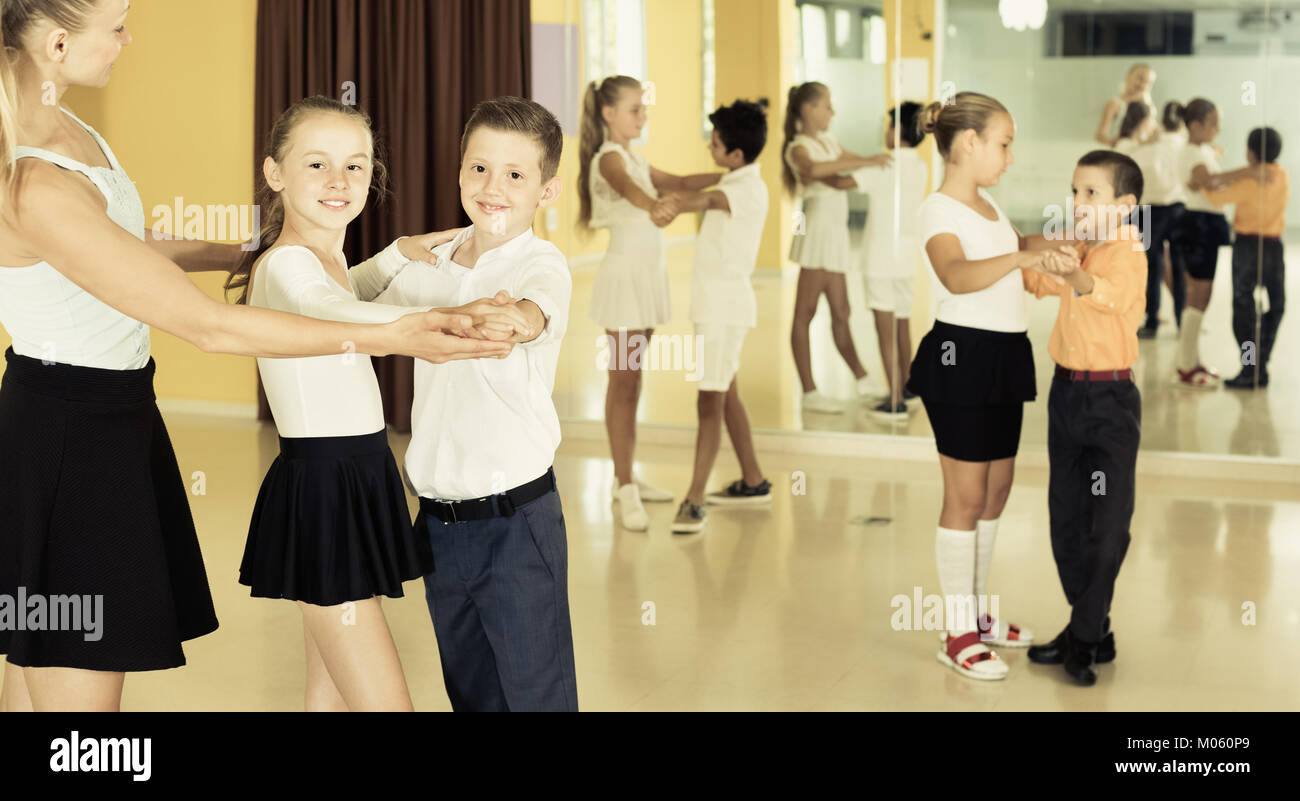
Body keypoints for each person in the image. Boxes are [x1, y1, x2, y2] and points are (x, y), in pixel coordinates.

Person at [0, 0, 504, 714]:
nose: (127, 39)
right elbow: (210, 328)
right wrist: (405, 332)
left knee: (33, 663)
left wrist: (244, 251)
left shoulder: (72, 132)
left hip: (107, 417)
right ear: (56, 42)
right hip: (68, 438)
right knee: (71, 699)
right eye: (116, 26)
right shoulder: (35, 181)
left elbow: (120, 249)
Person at [230, 96, 533, 712]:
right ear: (274, 174)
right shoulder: (287, 265)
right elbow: (333, 309)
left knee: (330, 692)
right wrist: (435, 318)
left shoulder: (325, 257)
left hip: (353, 476)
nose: (339, 182)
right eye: (316, 165)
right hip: (327, 486)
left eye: (357, 166)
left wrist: (396, 254)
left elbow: (347, 287)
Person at [364, 97, 578, 711]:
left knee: (536, 697)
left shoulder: (542, 262)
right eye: (480, 168)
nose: (494, 188)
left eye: (516, 175)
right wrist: (396, 254)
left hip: (516, 525)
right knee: (472, 696)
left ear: (546, 190)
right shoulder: (428, 261)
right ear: (460, 172)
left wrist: (514, 319)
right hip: (438, 526)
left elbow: (538, 312)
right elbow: (341, 305)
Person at [906, 92, 1052, 680]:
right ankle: (957, 633)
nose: (1009, 157)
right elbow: (957, 275)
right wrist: (1021, 263)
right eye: (1003, 143)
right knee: (965, 499)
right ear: (969, 144)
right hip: (959, 358)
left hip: (1004, 356)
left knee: (995, 494)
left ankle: (978, 615)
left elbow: (1014, 250)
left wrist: (1055, 249)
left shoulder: (988, 203)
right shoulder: (937, 210)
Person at [1023, 150, 1147, 686]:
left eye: (1091, 194)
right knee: (1065, 522)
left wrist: (1074, 273)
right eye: (1074, 192)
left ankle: (1085, 635)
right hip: (1066, 397)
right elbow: (1039, 281)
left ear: (1126, 206)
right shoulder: (1078, 247)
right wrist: (1028, 257)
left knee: (1108, 526)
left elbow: (1115, 299)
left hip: (1111, 404)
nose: (1077, 203)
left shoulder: (1128, 253)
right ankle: (1091, 627)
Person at [577, 75, 722, 530]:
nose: (644, 116)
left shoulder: (635, 158)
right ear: (609, 114)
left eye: (644, 108)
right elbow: (630, 191)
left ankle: (628, 476)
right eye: (636, 109)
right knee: (622, 384)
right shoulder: (609, 159)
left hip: (647, 282)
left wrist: (736, 176)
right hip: (624, 286)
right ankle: (621, 484)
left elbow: (677, 180)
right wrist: (653, 206)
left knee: (634, 381)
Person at [655, 100, 773, 534]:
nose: (710, 145)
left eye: (716, 142)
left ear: (736, 155)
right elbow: (688, 184)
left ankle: (694, 499)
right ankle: (754, 481)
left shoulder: (742, 189)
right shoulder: (738, 176)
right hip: (718, 308)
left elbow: (702, 197)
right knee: (727, 394)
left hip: (723, 312)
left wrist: (671, 205)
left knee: (709, 401)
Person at [781, 82, 890, 414]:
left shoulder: (827, 141)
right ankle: (810, 391)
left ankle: (862, 379)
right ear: (808, 110)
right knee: (805, 313)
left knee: (842, 313)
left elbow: (846, 159)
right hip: (816, 235)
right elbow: (812, 170)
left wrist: (875, 161)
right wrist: (869, 162)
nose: (833, 112)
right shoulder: (797, 147)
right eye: (827, 106)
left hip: (836, 237)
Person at [853, 101, 929, 419]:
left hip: (880, 258)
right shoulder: (921, 166)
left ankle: (894, 399)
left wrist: (819, 170)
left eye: (888, 125)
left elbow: (842, 183)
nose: (885, 131)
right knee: (901, 324)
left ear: (897, 131)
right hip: (906, 257)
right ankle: (909, 386)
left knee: (884, 329)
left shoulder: (879, 165)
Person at [1202, 126, 1289, 389]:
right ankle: (1260, 361)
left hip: (1248, 248)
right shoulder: (1282, 175)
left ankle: (1250, 367)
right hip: (1274, 247)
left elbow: (1213, 195)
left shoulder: (1250, 181)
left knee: (1244, 310)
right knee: (1277, 305)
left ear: (1251, 153)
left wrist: (1213, 178)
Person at [1169, 98, 1233, 388]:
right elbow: (1208, 182)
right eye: (1214, 124)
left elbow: (1206, 181)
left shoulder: (1200, 150)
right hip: (1199, 227)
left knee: (1199, 297)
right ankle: (1186, 365)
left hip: (1203, 226)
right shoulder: (1193, 152)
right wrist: (1248, 173)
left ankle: (1191, 361)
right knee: (1198, 296)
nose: (1218, 129)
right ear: (1196, 125)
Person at [1129, 101, 1189, 337]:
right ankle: (1182, 322)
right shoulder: (1185, 146)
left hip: (1149, 211)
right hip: (1177, 209)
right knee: (1178, 266)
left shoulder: (1147, 146)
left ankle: (1151, 321)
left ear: (1162, 121)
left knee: (1151, 268)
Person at [1094, 64, 1157, 147]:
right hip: (1121, 153)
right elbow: (1100, 136)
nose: (1143, 85)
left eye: (1148, 82)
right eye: (1140, 78)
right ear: (1128, 77)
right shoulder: (1114, 104)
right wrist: (1124, 143)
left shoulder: (1150, 107)